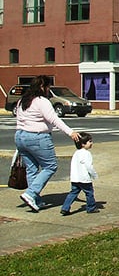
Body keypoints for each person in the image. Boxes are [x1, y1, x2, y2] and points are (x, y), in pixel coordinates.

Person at [14, 76, 81, 212]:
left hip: (20, 136)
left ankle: (35, 200)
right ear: (42, 87)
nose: (49, 90)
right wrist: (71, 133)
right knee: (50, 166)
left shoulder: (23, 101)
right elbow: (54, 119)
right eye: (48, 87)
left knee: (32, 169)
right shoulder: (42, 101)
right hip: (37, 137)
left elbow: (20, 119)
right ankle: (31, 193)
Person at [61, 132, 98, 215]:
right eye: (90, 141)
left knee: (73, 193)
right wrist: (94, 174)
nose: (91, 143)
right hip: (84, 179)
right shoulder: (87, 154)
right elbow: (89, 166)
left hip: (75, 178)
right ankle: (91, 207)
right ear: (83, 144)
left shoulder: (76, 153)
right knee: (89, 193)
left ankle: (65, 207)